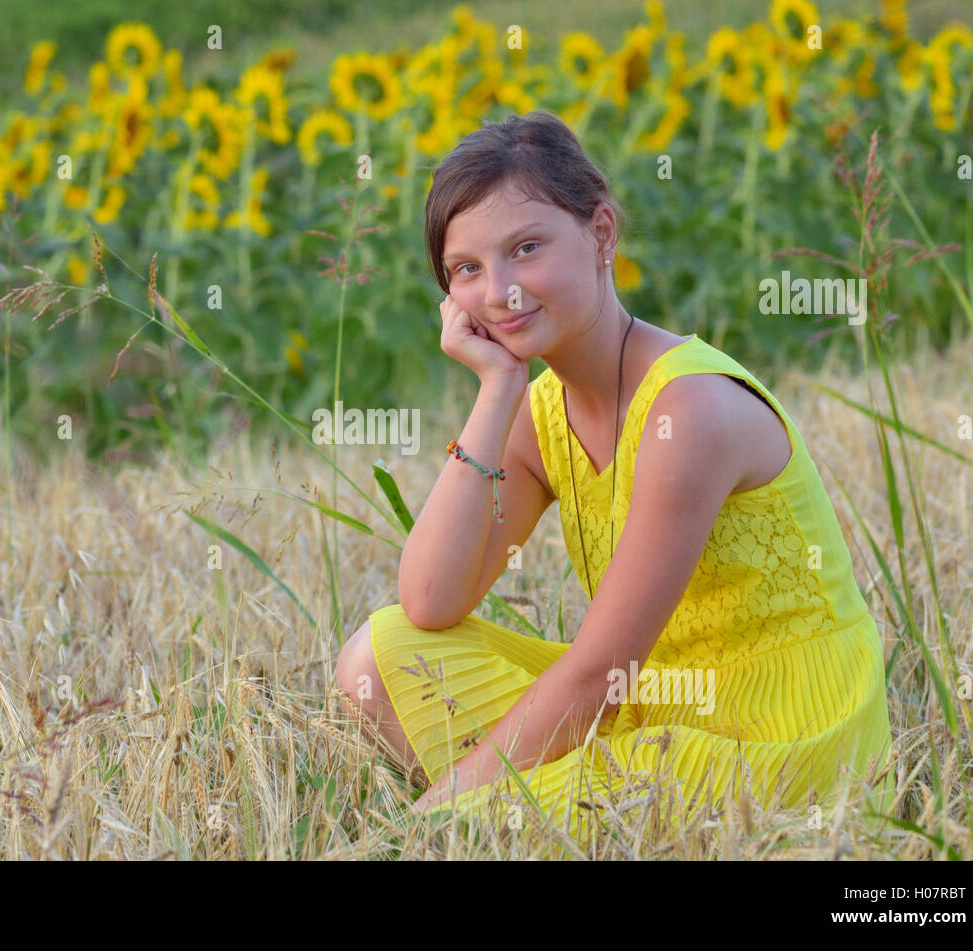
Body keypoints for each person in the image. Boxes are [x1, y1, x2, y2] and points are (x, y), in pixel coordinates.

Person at [334, 110, 894, 841]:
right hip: (655, 702)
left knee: (488, 817)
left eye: (525, 248)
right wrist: (496, 390)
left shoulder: (688, 408)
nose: (499, 291)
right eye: (466, 269)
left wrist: (427, 822)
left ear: (601, 235)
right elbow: (432, 600)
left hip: (782, 727)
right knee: (378, 659)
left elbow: (600, 675)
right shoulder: (539, 413)